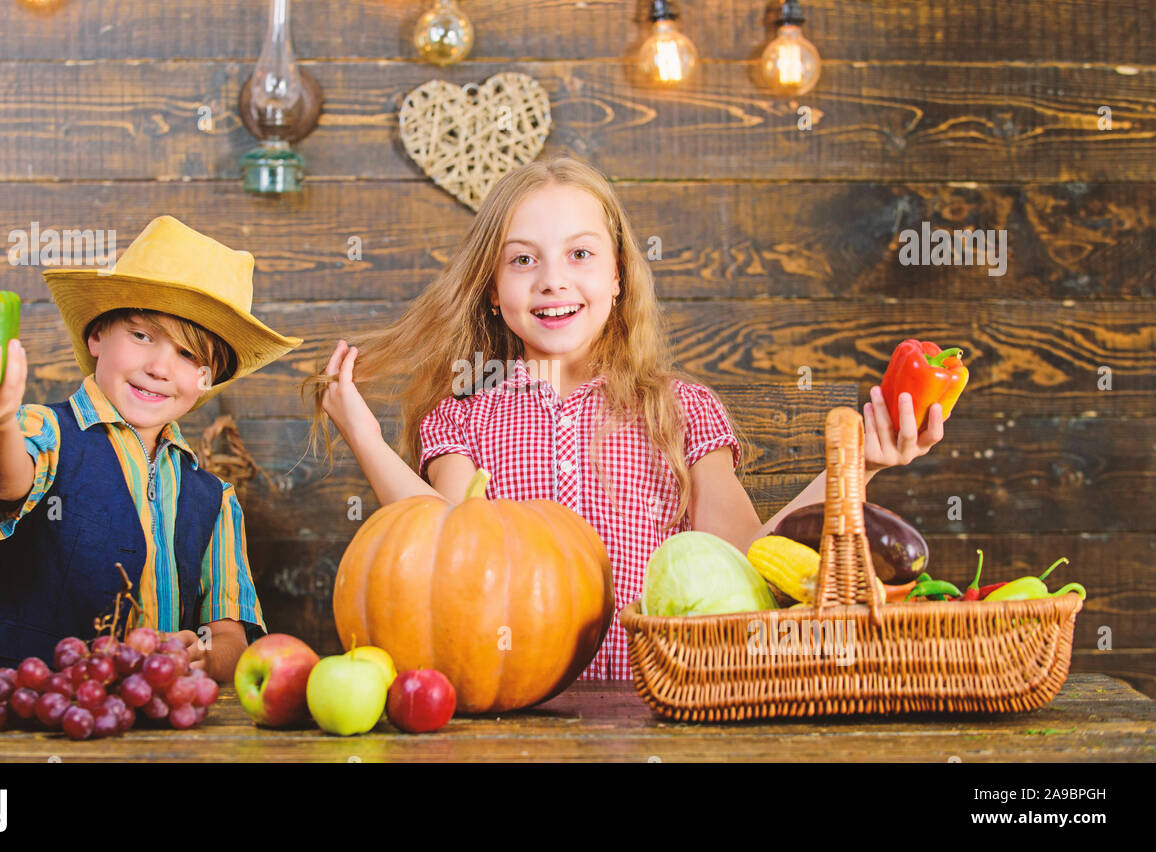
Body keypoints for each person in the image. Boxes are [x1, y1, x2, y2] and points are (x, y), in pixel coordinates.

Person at [304, 155, 947, 679]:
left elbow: (754, 560)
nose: (553, 281)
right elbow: (440, 546)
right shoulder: (464, 416)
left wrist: (857, 466)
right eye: (523, 259)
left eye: (580, 254)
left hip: (661, 705)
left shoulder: (683, 411)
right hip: (519, 717)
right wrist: (362, 434)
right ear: (493, 294)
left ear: (618, 277)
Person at [0, 215, 301, 681]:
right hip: (24, 728)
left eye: (190, 355)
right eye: (142, 336)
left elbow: (231, 640)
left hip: (148, 739)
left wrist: (204, 653)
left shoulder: (215, 499)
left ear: (207, 380)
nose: (161, 368)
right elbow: (5, 482)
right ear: (97, 335)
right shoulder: (43, 429)